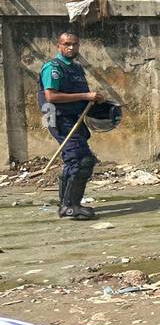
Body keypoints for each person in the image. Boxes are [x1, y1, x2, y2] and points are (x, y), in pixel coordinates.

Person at [37, 31, 105, 221]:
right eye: (66, 44)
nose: (71, 47)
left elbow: (82, 95)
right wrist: (86, 96)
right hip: (57, 117)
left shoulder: (76, 68)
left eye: (74, 44)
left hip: (74, 118)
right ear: (58, 46)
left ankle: (66, 204)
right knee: (82, 159)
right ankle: (71, 206)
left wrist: (95, 100)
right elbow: (51, 96)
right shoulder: (53, 68)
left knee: (73, 159)